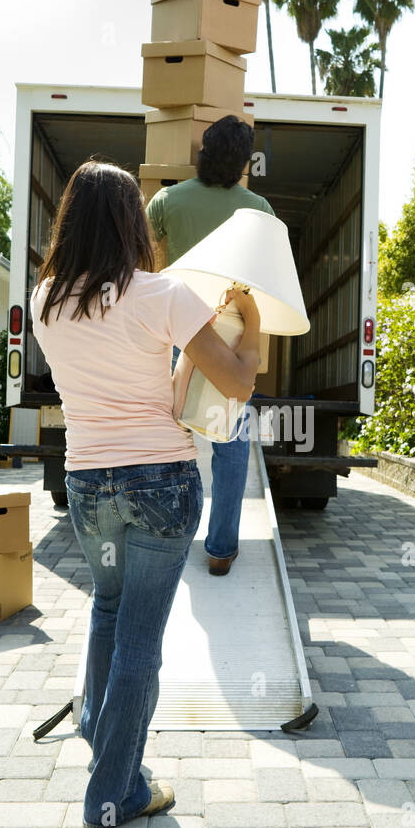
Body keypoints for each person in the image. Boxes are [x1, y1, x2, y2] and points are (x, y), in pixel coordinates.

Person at [30, 159, 261, 828]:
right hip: (159, 482)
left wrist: (188, 345)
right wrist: (247, 318)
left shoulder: (46, 300)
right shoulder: (161, 294)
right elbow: (237, 384)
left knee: (107, 609)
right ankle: (115, 793)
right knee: (139, 640)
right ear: (134, 220)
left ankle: (103, 746)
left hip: (88, 485)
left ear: (70, 219)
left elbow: (143, 381)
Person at [147, 114, 276, 577]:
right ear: (244, 163)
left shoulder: (165, 202)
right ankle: (220, 548)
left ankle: (165, 535)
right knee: (231, 441)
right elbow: (266, 278)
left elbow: (150, 266)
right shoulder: (259, 209)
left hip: (179, 330)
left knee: (170, 434)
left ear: (202, 153)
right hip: (233, 337)